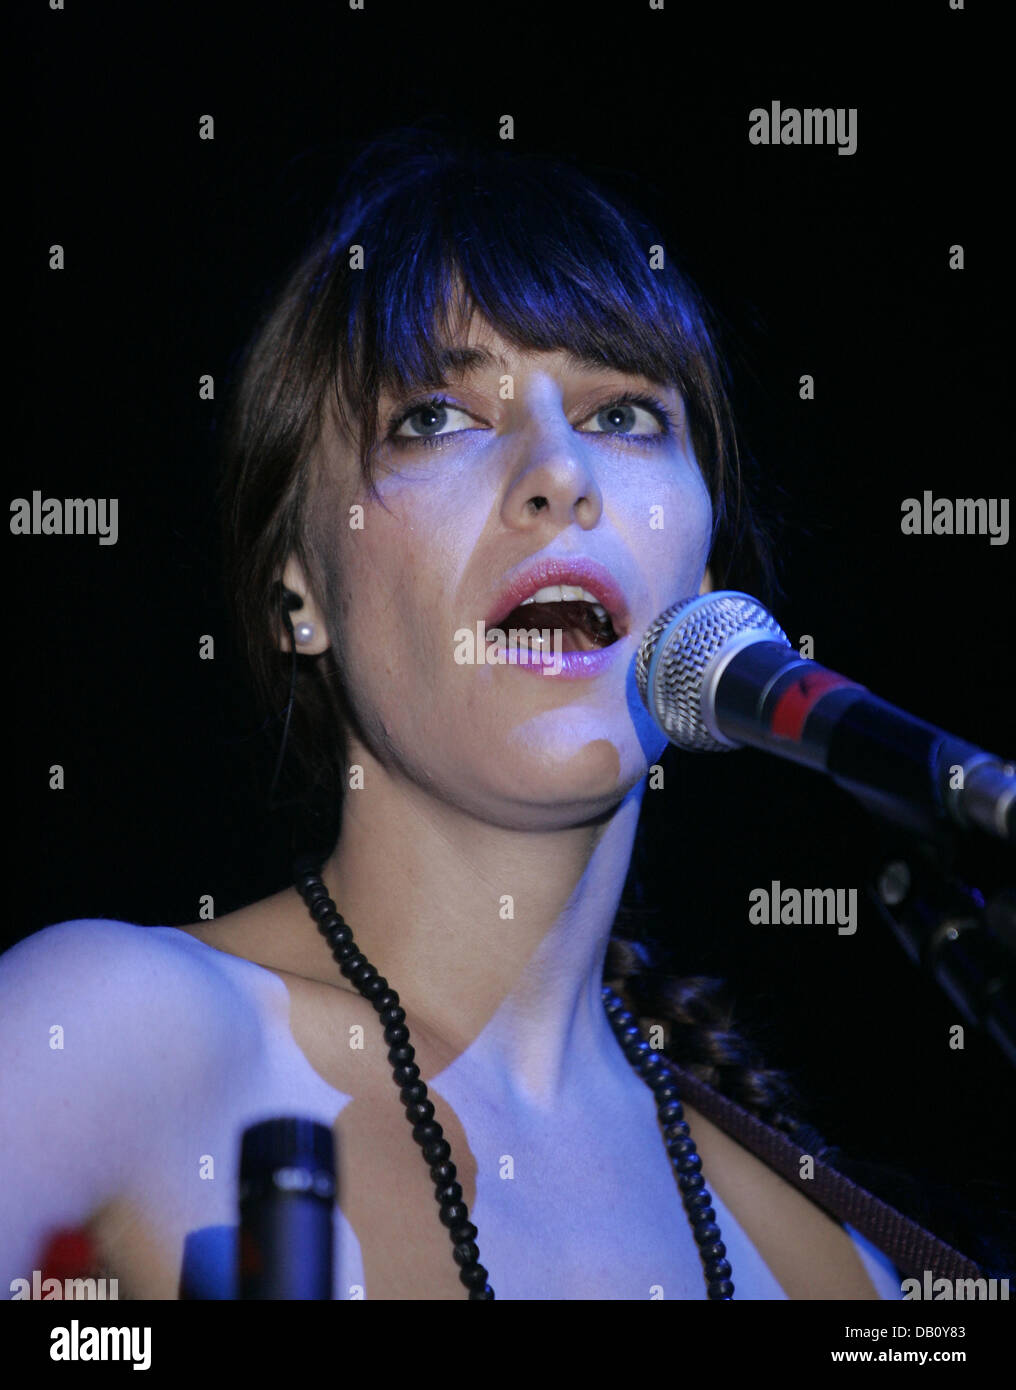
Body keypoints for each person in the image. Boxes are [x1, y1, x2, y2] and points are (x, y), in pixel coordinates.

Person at [2, 129, 913, 1301]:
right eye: (433, 417)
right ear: (298, 593)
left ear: (701, 569)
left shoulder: (826, 1261)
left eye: (624, 414)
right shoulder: (117, 1036)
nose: (558, 471)